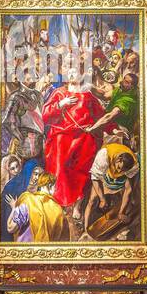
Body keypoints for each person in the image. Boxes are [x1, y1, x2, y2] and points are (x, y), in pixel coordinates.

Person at [42, 73, 111, 220]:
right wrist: (61, 104)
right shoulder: (59, 92)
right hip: (61, 136)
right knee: (61, 167)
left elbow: (101, 115)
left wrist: (113, 129)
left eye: (77, 72)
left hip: (83, 135)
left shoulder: (88, 95)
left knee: (82, 169)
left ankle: (77, 204)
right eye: (70, 72)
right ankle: (59, 202)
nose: (73, 75)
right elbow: (45, 115)